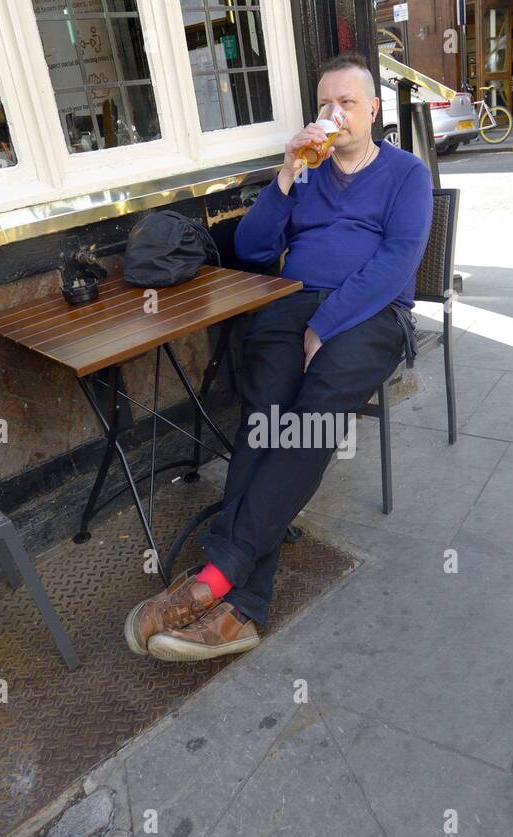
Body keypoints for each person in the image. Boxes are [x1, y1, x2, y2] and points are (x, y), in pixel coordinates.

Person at [123, 52, 432, 662]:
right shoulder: (308, 174)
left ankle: (213, 581)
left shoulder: (406, 174)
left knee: (313, 414)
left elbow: (397, 261)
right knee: (264, 419)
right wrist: (286, 176)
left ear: (373, 109)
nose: (335, 113)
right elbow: (256, 250)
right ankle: (242, 607)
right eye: (326, 103)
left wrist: (326, 323)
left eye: (348, 102)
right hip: (292, 305)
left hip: (371, 315)